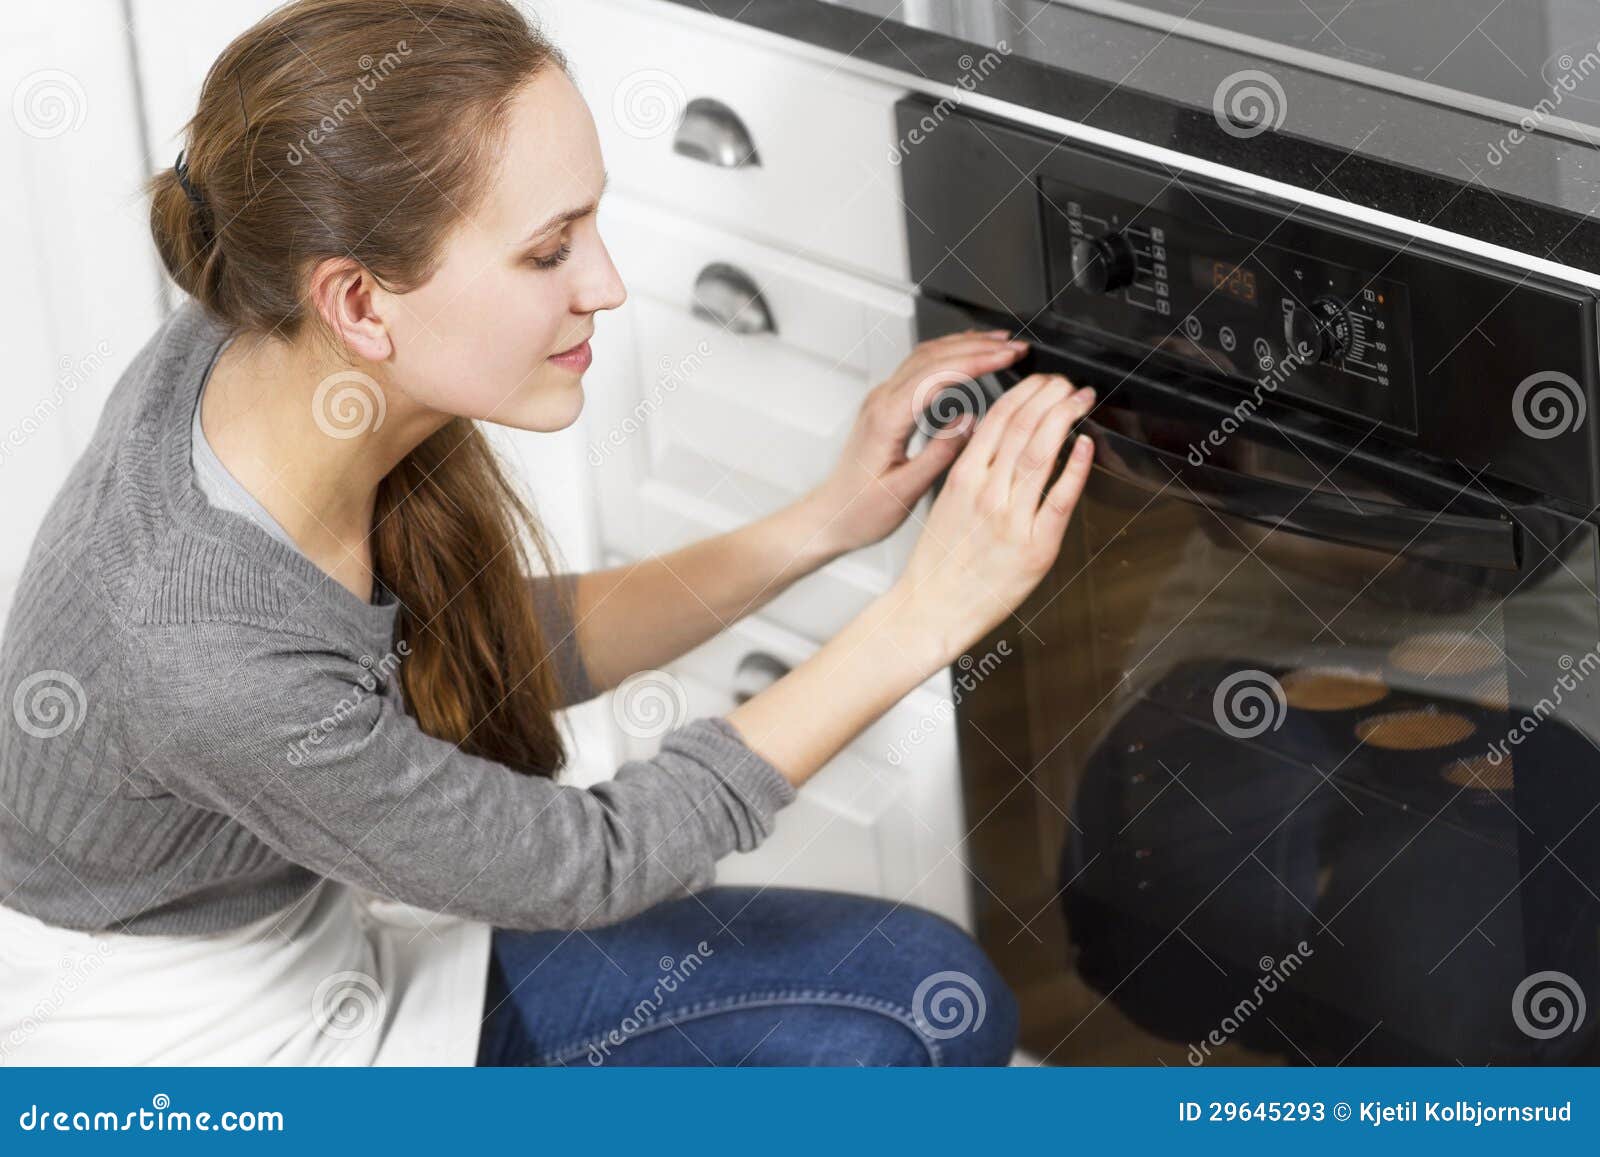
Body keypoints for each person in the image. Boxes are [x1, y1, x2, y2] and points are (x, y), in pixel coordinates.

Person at [0, 0, 1095, 1066]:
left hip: (319, 945)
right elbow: (594, 861)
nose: (605, 286)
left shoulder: (266, 355)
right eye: (547, 252)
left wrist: (824, 523)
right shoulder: (205, 646)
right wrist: (924, 616)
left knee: (914, 988)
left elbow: (479, 649)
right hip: (201, 1061)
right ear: (359, 303)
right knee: (898, 1028)